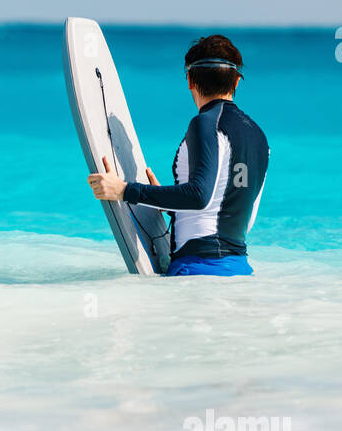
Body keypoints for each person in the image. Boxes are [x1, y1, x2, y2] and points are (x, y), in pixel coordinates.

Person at [88, 36, 268, 276]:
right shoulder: (259, 136)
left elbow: (199, 196)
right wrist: (166, 203)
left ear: (190, 80)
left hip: (197, 272)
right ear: (236, 81)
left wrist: (123, 190)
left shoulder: (206, 124)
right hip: (240, 270)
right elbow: (236, 207)